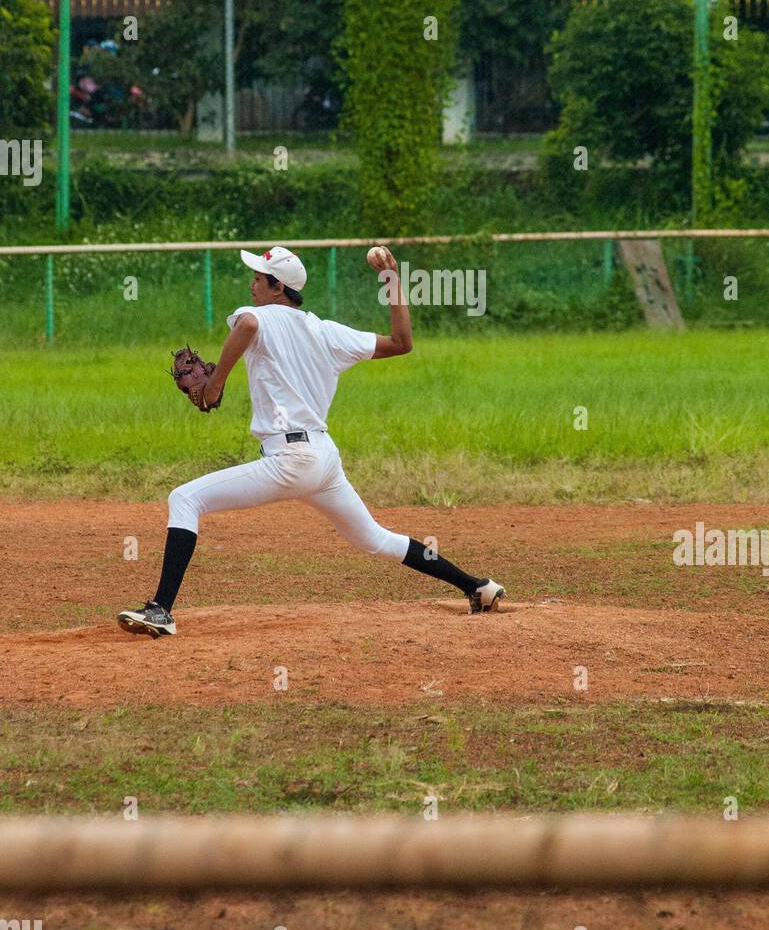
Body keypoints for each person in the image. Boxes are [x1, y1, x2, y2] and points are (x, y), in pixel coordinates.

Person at [117, 244, 505, 638]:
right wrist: (392, 282)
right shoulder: (326, 331)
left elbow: (248, 326)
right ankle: (477, 587)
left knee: (185, 498)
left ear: (278, 287)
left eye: (258, 278)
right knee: (375, 538)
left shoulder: (258, 317)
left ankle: (161, 611)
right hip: (322, 460)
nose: (251, 284)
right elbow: (401, 343)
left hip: (290, 460)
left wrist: (215, 386)